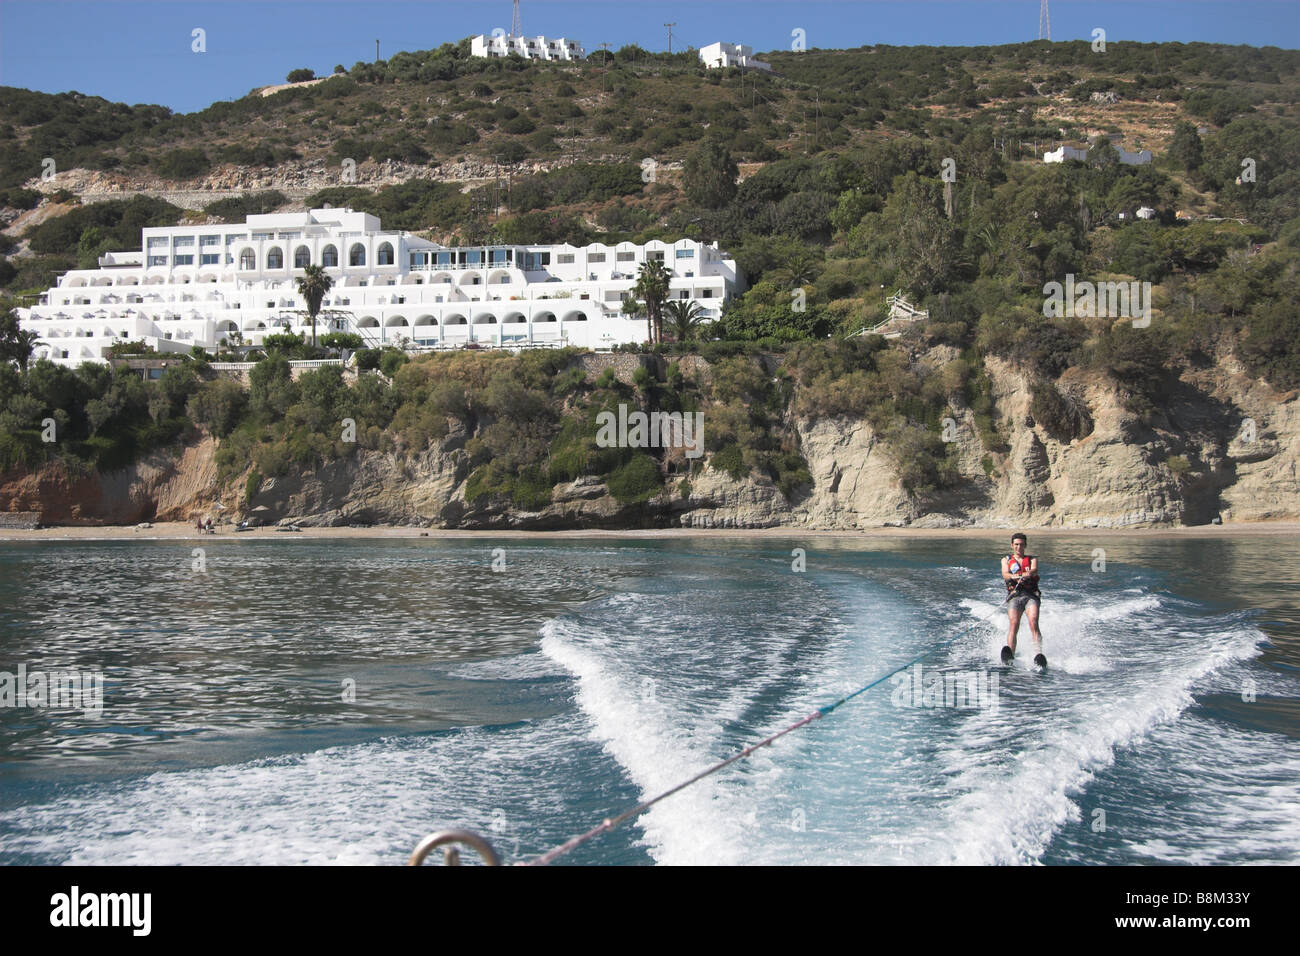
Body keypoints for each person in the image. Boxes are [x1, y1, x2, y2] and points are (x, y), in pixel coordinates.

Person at [1001, 533, 1046, 667]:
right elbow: (1005, 574)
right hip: (1015, 596)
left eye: (1021, 544)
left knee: (1033, 622)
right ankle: (1010, 654)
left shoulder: (1032, 559)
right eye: (1016, 544)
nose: (1019, 547)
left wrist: (1028, 573)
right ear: (1012, 545)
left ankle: (1038, 654)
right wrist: (1017, 576)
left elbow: (1034, 570)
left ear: (1025, 545)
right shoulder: (1006, 560)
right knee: (1014, 623)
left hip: (1031, 596)